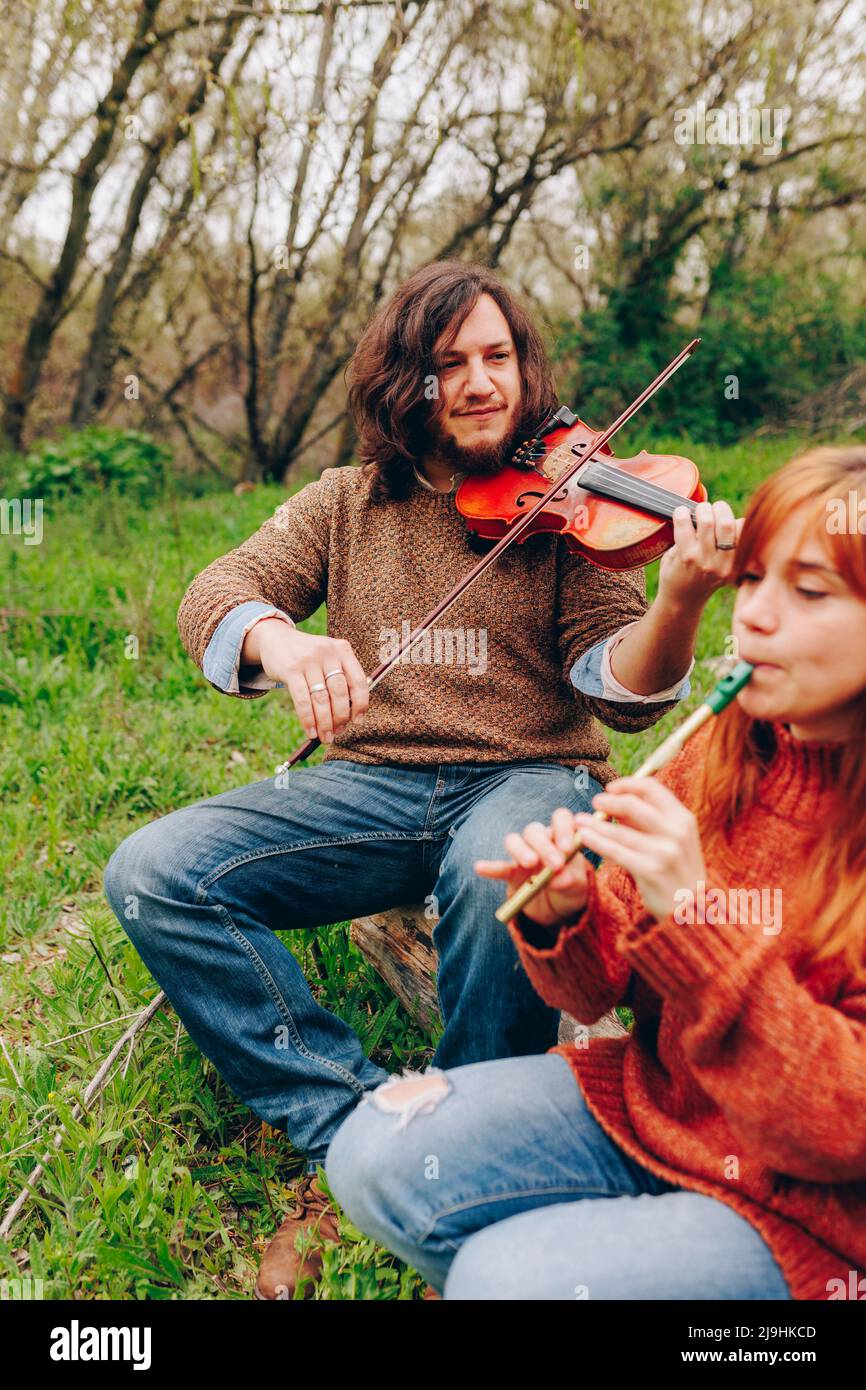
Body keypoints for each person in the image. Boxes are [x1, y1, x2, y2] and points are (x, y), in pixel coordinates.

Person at [103, 259, 738, 1299]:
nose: (482, 382)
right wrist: (282, 644)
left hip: (530, 772)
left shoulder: (574, 500)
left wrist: (677, 604)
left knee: (506, 874)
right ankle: (349, 1124)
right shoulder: (344, 502)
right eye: (451, 363)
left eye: (499, 357)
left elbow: (618, 688)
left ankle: (471, 1144)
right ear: (406, 379)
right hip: (374, 787)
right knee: (152, 870)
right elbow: (217, 589)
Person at [326, 445, 866, 1302]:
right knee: (373, 1153)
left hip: (815, 1216)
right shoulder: (726, 749)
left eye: (808, 592)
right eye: (753, 579)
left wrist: (695, 916)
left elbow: (842, 1127)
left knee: (504, 1280)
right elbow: (590, 993)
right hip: (660, 1110)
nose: (754, 617)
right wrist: (569, 914)